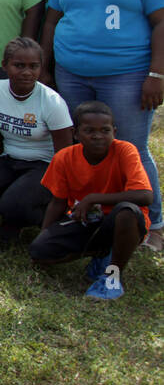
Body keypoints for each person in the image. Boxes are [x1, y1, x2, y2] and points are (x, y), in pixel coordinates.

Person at [41, 0, 164, 247]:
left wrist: (157, 73)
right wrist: (47, 67)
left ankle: (152, 223)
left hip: (126, 75)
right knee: (80, 147)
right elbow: (52, 20)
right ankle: (85, 210)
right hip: (72, 74)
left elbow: (161, 23)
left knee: (131, 148)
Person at [30, 101, 151, 300]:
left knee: (127, 211)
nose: (98, 136)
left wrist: (94, 198)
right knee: (40, 251)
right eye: (89, 131)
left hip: (122, 222)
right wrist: (44, 235)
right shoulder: (64, 157)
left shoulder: (125, 151)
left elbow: (146, 195)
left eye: (105, 130)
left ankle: (112, 277)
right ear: (76, 134)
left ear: (114, 131)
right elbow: (57, 202)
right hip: (86, 220)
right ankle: (102, 253)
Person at [0, 38, 73, 239]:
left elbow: (65, 156)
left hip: (45, 165)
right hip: (10, 160)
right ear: (5, 66)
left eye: (34, 66)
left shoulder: (52, 102)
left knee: (13, 205)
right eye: (19, 65)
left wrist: (60, 197)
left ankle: (46, 217)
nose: (27, 72)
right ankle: (13, 210)